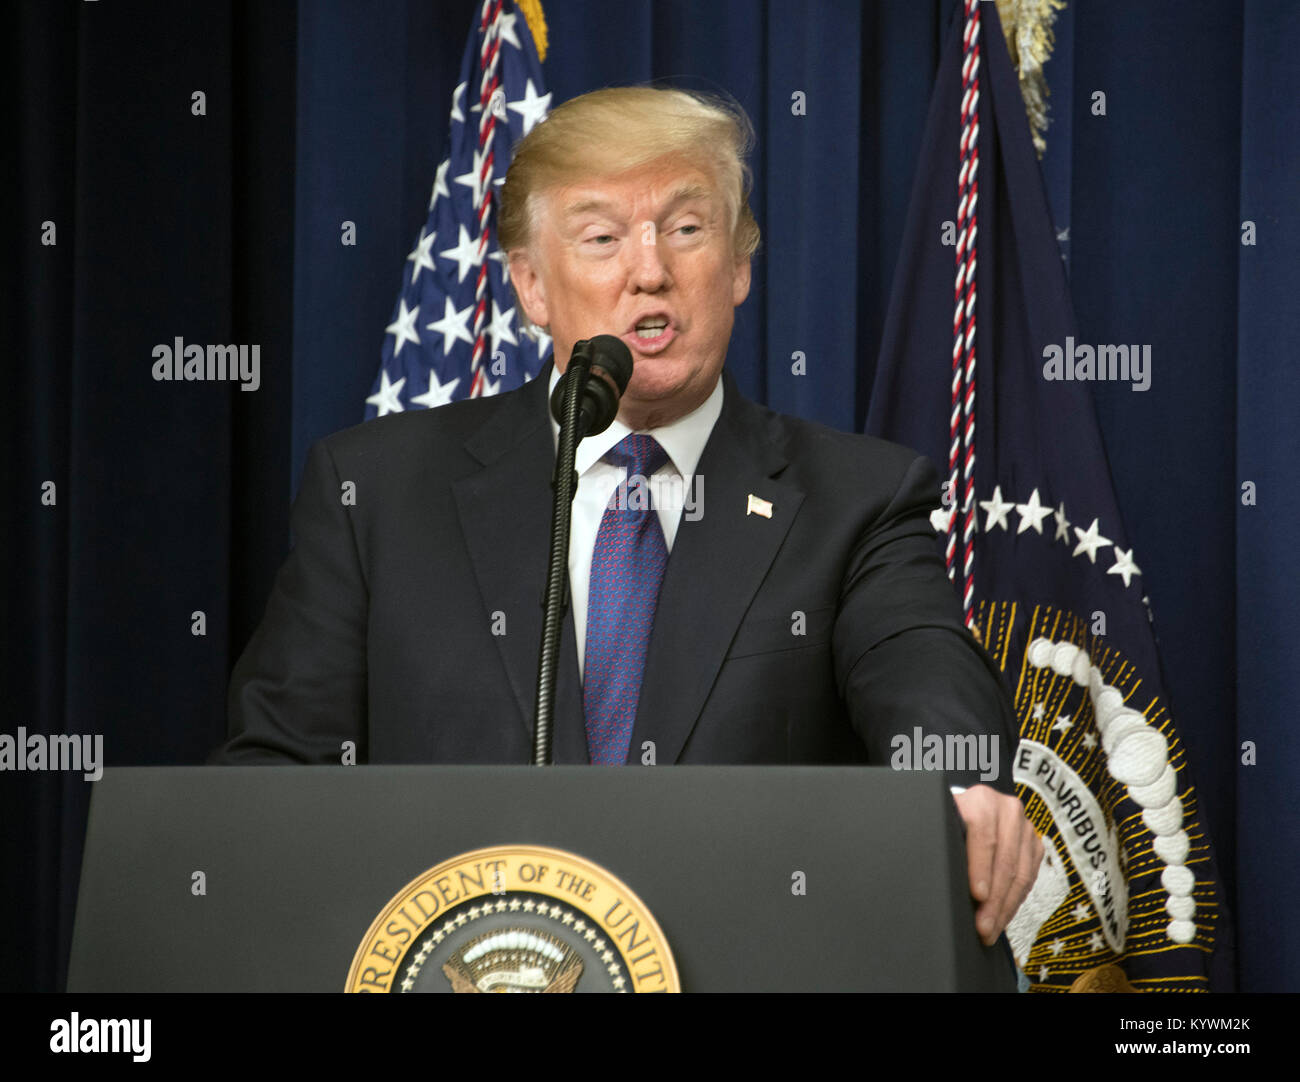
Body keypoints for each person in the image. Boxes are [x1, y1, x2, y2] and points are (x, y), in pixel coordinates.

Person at [211, 85, 1041, 951]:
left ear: (740, 266)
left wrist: (954, 783)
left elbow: (924, 677)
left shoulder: (857, 497)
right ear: (531, 285)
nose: (650, 271)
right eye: (602, 238)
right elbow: (271, 775)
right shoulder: (374, 491)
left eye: (686, 229)